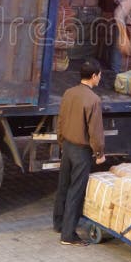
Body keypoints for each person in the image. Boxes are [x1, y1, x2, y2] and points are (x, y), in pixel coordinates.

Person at [53, 59, 106, 246]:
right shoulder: (93, 100)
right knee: (76, 191)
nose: (100, 78)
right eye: (99, 75)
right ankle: (68, 235)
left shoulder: (69, 93)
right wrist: (99, 153)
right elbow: (95, 131)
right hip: (81, 151)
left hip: (66, 145)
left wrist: (61, 141)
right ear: (93, 76)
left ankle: (59, 224)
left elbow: (61, 120)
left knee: (63, 186)